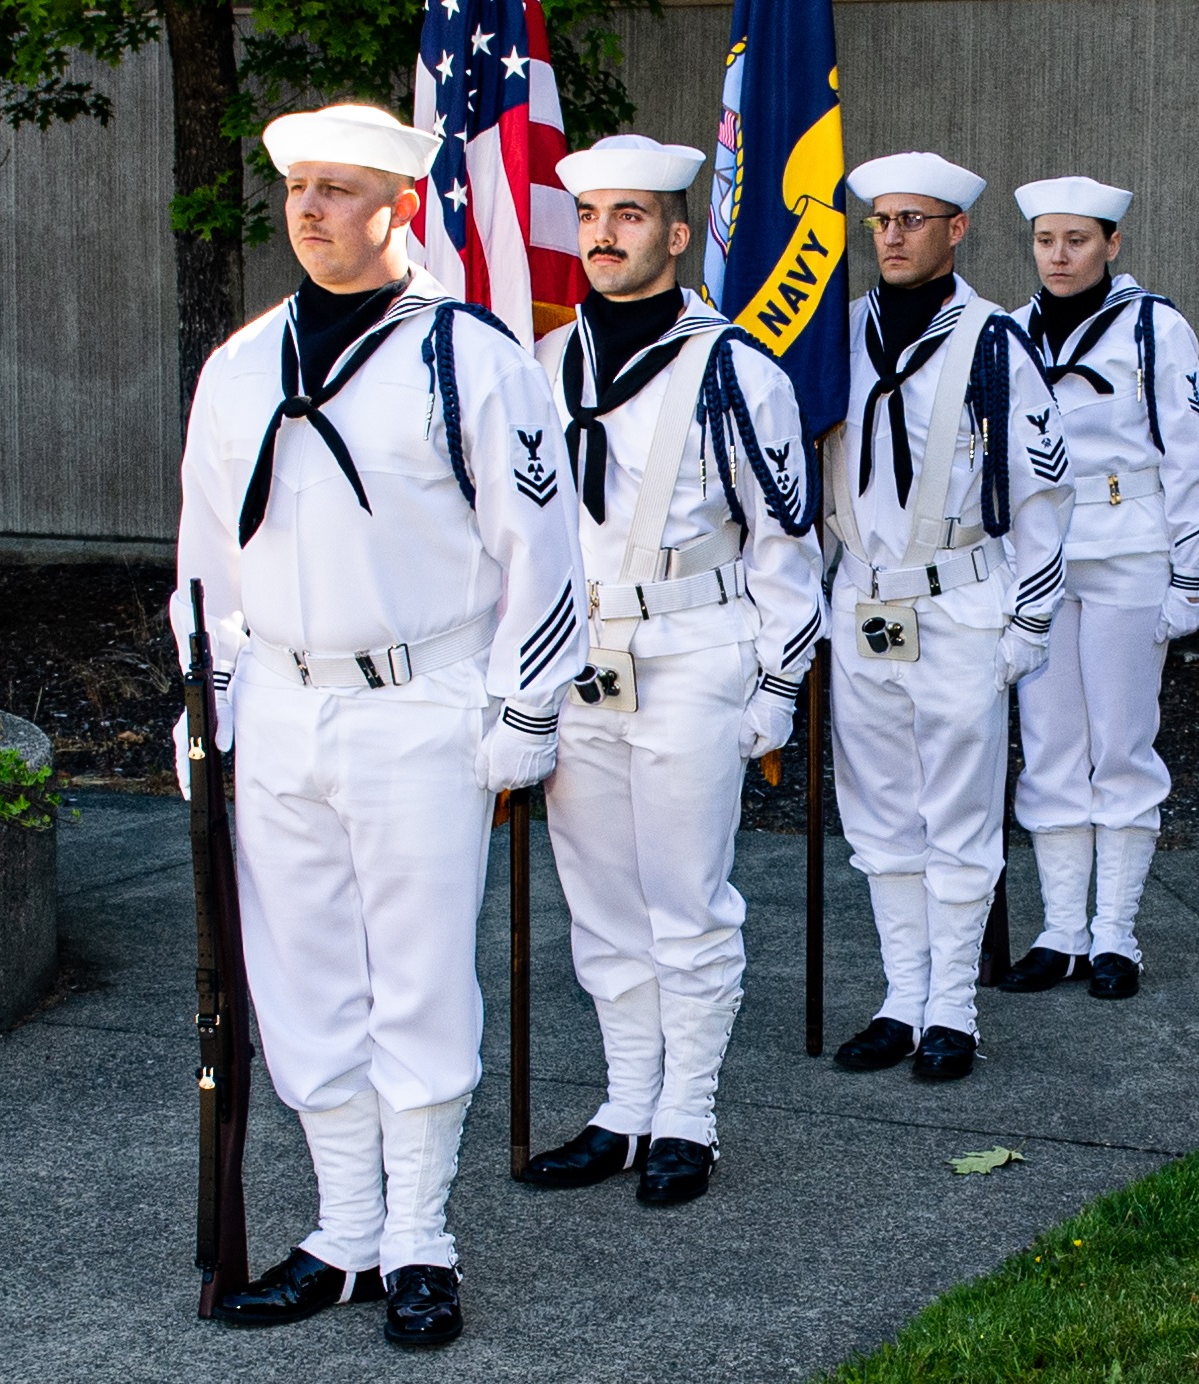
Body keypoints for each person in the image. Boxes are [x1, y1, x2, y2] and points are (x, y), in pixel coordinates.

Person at [169, 103, 583, 1350]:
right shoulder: (242, 365)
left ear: (401, 207)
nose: (310, 210)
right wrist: (208, 701)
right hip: (284, 708)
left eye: (340, 190)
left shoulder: (472, 357)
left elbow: (542, 549)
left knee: (414, 983)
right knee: (302, 984)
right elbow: (205, 561)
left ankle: (421, 1241)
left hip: (422, 706)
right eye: (298, 188)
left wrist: (524, 702)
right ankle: (344, 1232)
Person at [518, 135, 824, 1205]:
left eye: (631, 215)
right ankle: (624, 1105)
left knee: (684, 899)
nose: (604, 235)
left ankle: (687, 1115)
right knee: (600, 903)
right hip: (575, 659)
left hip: (694, 652)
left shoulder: (735, 367)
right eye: (592, 216)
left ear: (677, 232)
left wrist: (779, 682)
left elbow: (786, 540)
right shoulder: (541, 366)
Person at [823, 151, 1073, 1082]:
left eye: (914, 220)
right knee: (881, 813)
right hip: (862, 600)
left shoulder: (995, 343)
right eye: (881, 221)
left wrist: (1029, 625)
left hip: (960, 600)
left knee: (958, 815)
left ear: (956, 229)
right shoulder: (836, 334)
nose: (892, 236)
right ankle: (900, 997)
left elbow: (1047, 498)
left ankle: (954, 1008)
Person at [996, 176, 1199, 1003]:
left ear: (1112, 244)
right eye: (1046, 240)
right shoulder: (1009, 333)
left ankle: (1115, 935)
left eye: (1077, 240)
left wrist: (1188, 572)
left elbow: (1187, 454)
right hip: (1039, 562)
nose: (1058, 255)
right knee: (1051, 746)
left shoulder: (1155, 328)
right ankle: (1060, 933)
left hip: (1128, 550)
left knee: (1120, 743)